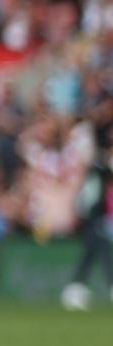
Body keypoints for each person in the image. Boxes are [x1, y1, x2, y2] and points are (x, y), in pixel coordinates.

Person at [62, 118, 110, 310]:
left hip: (96, 212)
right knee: (100, 246)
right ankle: (78, 286)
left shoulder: (99, 168)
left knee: (92, 249)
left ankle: (76, 286)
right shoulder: (90, 168)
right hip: (91, 212)